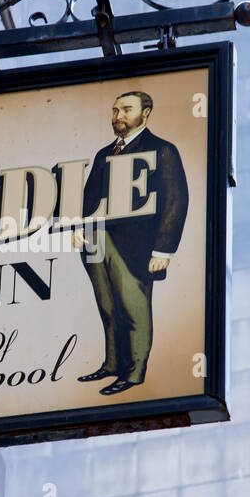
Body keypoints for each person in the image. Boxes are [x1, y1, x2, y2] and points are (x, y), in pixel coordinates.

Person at [75, 89, 188, 394]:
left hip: (136, 247)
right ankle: (112, 364)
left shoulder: (162, 150)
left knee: (134, 310)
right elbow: (89, 196)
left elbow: (176, 201)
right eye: (115, 110)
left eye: (126, 109)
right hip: (97, 241)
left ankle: (134, 373)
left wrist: (163, 249)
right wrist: (79, 227)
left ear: (146, 113)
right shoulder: (104, 154)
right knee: (107, 307)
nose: (118, 116)